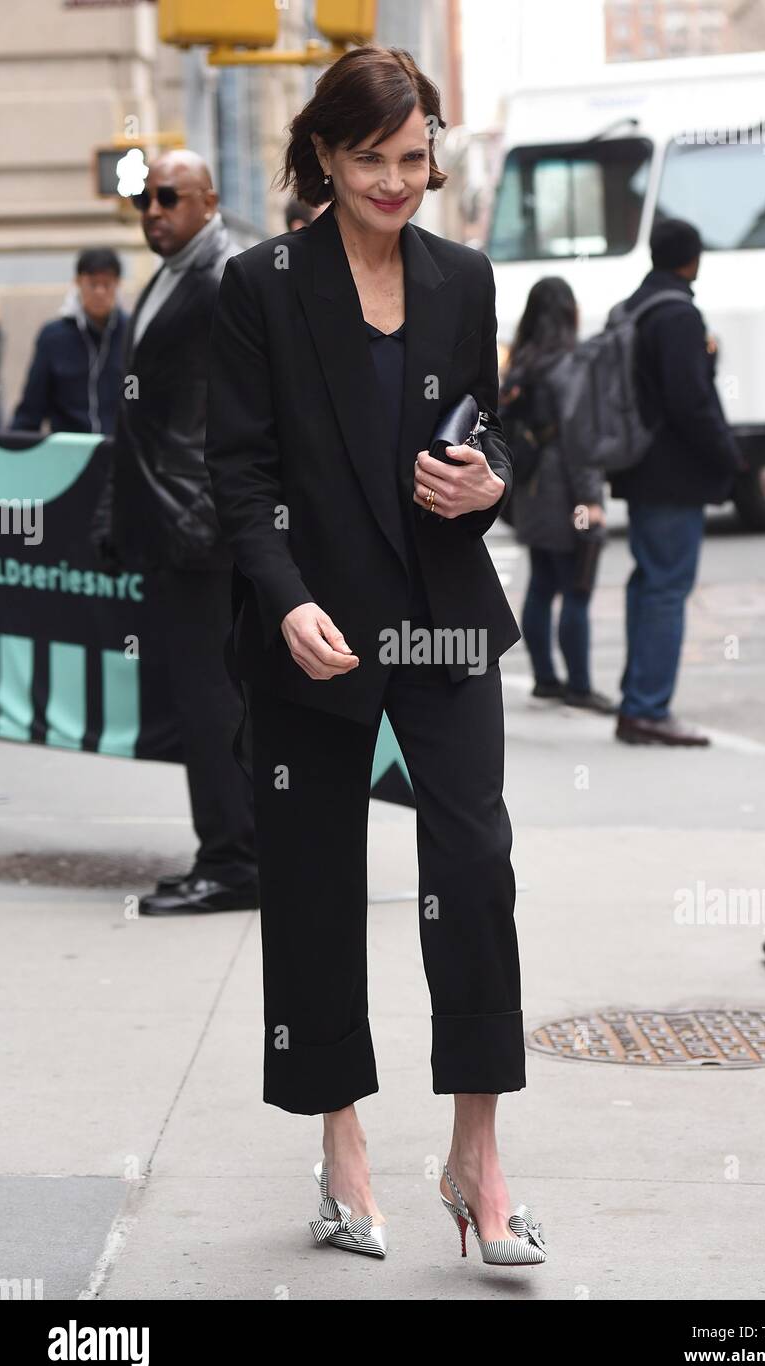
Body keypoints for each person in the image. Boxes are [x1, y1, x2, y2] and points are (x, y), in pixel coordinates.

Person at [205, 44, 546, 1267]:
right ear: (324, 156)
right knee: (311, 882)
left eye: (415, 159)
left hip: (444, 610)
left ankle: (477, 1154)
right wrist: (284, 596)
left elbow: (493, 429)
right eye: (372, 161)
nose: (399, 182)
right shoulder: (260, 284)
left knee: (476, 863)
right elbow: (236, 473)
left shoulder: (464, 277)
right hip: (317, 627)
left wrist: (485, 480)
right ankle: (342, 1141)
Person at [102, 149, 259, 914]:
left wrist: (203, 516)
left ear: (208, 199)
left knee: (212, 705)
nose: (154, 211)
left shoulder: (225, 274)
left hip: (202, 532)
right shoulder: (169, 274)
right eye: (144, 200)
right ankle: (223, 852)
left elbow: (247, 404)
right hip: (169, 527)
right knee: (201, 705)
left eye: (169, 197)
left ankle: (234, 863)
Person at [610, 218, 742, 748]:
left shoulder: (632, 307)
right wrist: (730, 457)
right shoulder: (678, 314)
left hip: (637, 467)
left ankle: (635, 701)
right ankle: (647, 709)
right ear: (692, 260)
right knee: (666, 588)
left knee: (648, 583)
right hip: (672, 474)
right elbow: (691, 402)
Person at [500, 276, 617, 714]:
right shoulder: (569, 363)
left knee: (543, 582)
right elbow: (579, 439)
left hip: (529, 492)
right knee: (577, 588)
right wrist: (592, 502)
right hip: (565, 494)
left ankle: (546, 678)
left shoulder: (521, 362)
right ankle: (580, 686)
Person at [11, 248, 127, 435]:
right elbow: (34, 403)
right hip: (68, 451)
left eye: (107, 284)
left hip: (118, 449)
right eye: (92, 284)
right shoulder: (54, 338)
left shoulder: (131, 335)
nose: (99, 292)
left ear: (118, 284)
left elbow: (135, 390)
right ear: (78, 283)